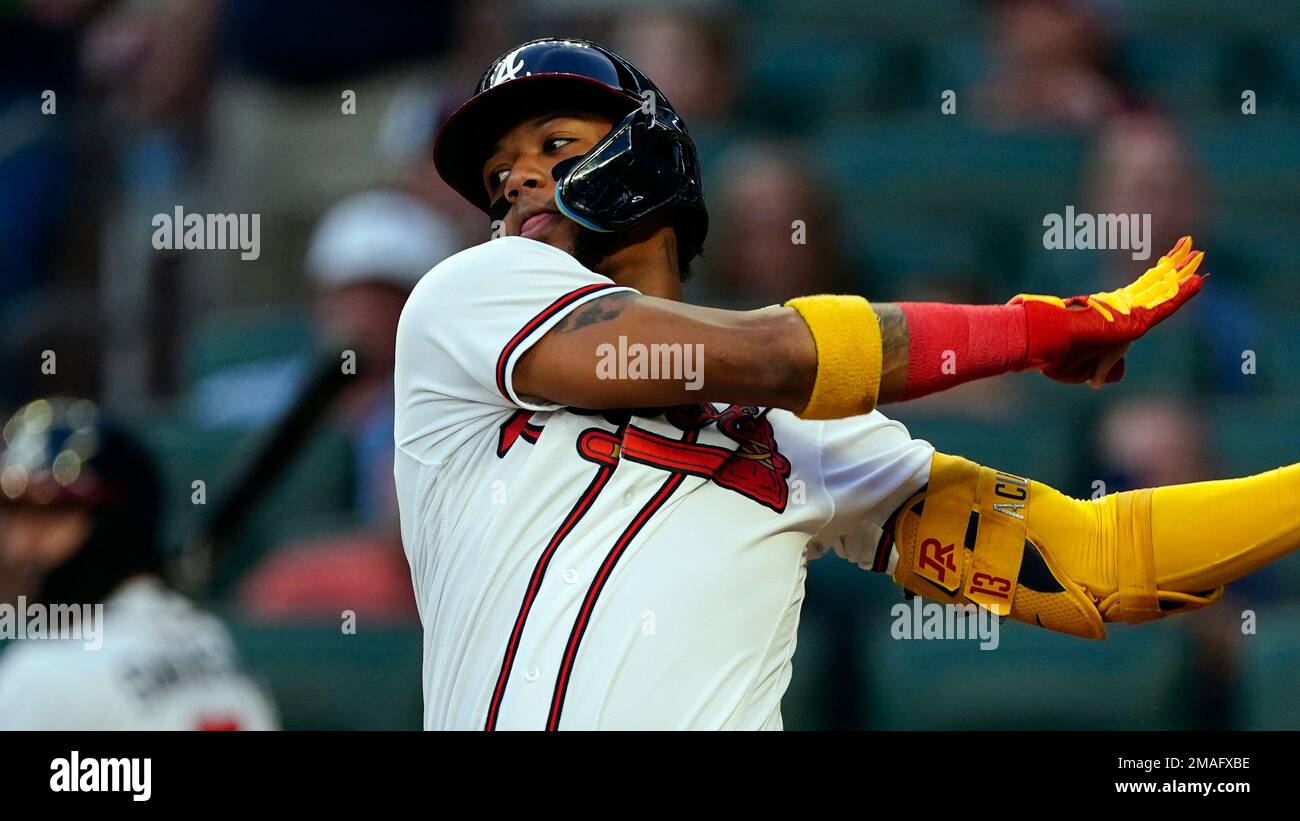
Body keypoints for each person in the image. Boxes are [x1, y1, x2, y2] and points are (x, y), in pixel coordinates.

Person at [394, 38, 1299, 730]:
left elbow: (1093, 560)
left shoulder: (804, 436)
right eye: (497, 177)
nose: (515, 181)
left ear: (647, 156)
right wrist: (1034, 328)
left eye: (553, 144)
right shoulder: (468, 299)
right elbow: (775, 354)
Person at [0, 397, 279, 730]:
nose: (17, 545)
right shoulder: (211, 638)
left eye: (50, 517)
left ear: (117, 524)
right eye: (13, 514)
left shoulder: (41, 671)